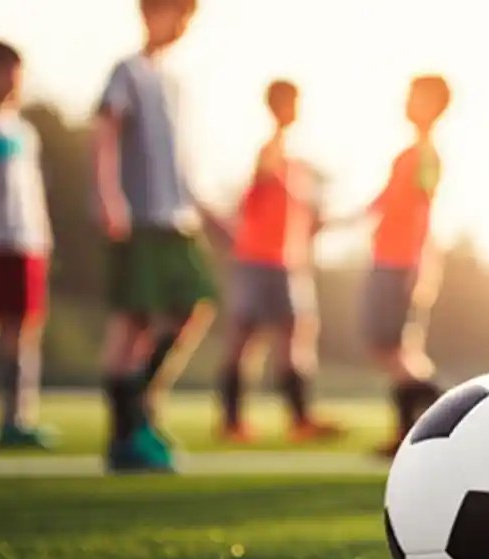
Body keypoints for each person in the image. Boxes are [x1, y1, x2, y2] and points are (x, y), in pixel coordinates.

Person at [94, 0, 220, 473]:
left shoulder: (175, 83)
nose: (183, 26)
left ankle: (140, 406)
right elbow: (105, 133)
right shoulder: (127, 72)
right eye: (177, 14)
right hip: (141, 219)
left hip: (179, 222)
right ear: (151, 13)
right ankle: (125, 434)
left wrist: (213, 216)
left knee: (191, 308)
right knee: (133, 324)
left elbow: (182, 165)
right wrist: (109, 197)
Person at [217, 80, 341, 444]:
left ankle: (300, 418)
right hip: (257, 259)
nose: (294, 109)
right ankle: (232, 420)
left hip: (288, 263)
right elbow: (262, 186)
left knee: (295, 336)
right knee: (245, 338)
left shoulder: (294, 163)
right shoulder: (271, 151)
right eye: (289, 103)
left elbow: (301, 217)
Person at [352, 75, 451, 456]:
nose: (408, 103)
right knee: (400, 350)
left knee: (388, 347)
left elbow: (423, 210)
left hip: (399, 262)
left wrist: (416, 264)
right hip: (390, 258)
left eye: (417, 98)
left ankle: (443, 407)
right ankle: (408, 433)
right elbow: (382, 203)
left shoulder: (426, 155)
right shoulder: (408, 155)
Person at [0, 40, 54, 451]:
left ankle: (16, 418)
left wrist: (43, 240)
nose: (15, 80)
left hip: (23, 245)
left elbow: (33, 194)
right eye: (8, 71)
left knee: (22, 332)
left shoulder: (24, 131)